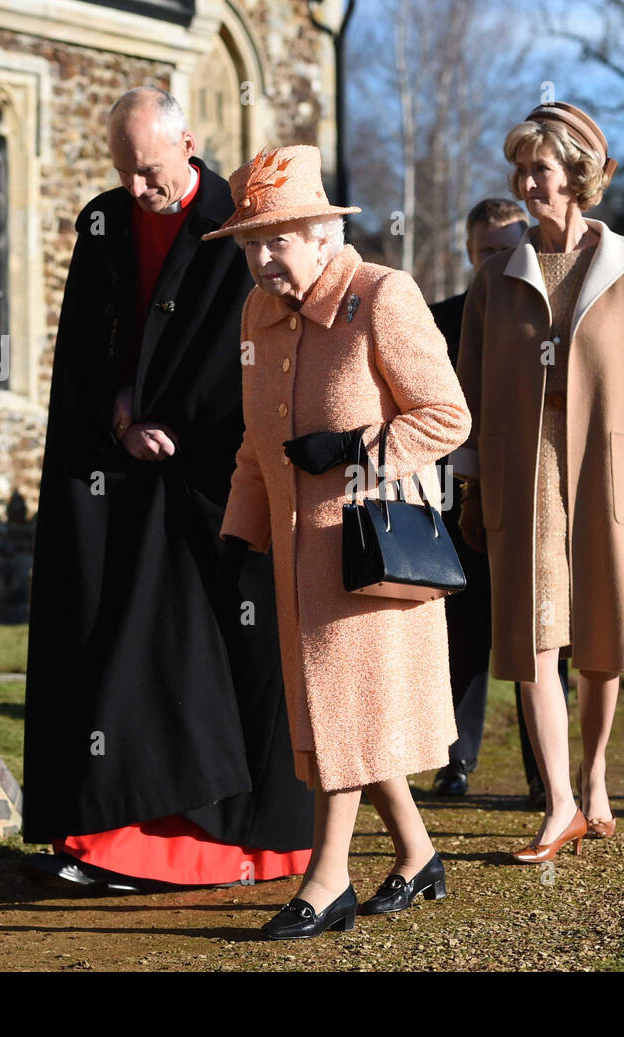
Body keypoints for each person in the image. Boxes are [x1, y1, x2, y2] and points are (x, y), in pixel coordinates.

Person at [21, 88, 313, 891]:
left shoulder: (232, 225)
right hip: (114, 473)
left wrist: (177, 424)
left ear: (188, 142)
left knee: (216, 657)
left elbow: (245, 349)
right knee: (104, 641)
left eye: (148, 171)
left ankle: (234, 849)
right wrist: (118, 416)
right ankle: (109, 836)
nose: (137, 188)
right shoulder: (103, 224)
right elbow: (85, 349)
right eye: (123, 171)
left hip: (216, 478)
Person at [210, 145, 471, 938]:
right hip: (297, 561)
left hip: (372, 556)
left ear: (324, 233)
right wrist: (235, 535)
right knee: (347, 714)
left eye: (275, 239)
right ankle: (419, 854)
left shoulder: (382, 297)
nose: (259, 257)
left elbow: (447, 415)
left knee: (340, 716)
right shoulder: (257, 316)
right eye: (250, 242)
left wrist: (357, 446)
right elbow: (256, 444)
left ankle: (327, 883)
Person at [456, 102, 624, 862]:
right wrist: (468, 483)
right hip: (526, 474)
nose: (526, 183)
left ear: (578, 177)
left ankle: (593, 784)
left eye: (541, 170)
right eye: (520, 170)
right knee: (534, 635)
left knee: (602, 634)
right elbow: (472, 390)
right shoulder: (496, 277)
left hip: (608, 469)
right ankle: (557, 803)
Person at [428, 197, 553, 802]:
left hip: (529, 496)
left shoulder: (543, 318)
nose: (496, 264)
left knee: (535, 638)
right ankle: (455, 761)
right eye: (486, 255)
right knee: (462, 633)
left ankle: (542, 775)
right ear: (469, 255)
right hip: (455, 498)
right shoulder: (432, 321)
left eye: (508, 252)